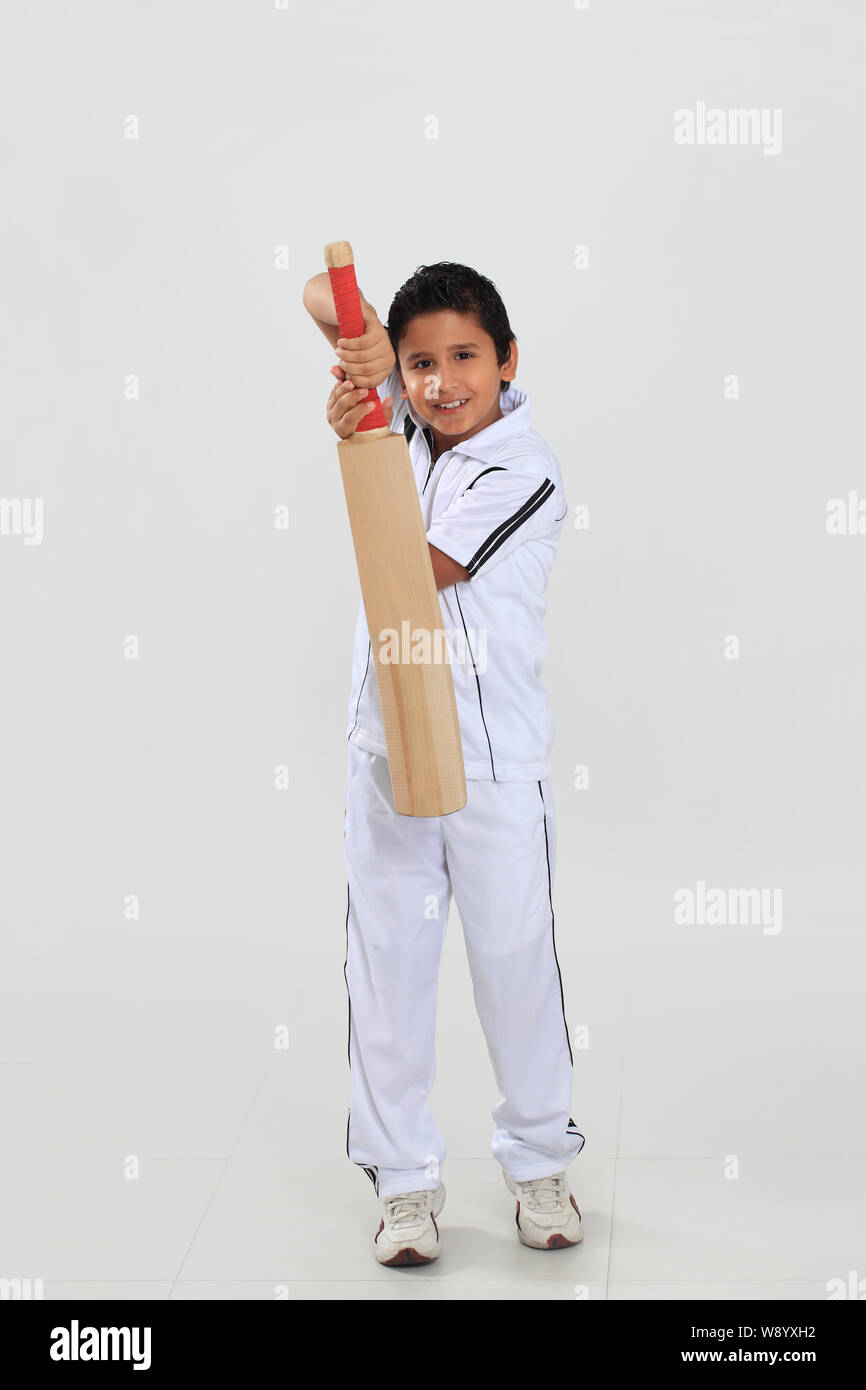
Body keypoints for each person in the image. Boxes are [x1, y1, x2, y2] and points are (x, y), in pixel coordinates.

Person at [302, 260, 585, 1265]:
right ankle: (404, 1187)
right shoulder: (404, 434)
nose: (440, 380)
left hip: (493, 767)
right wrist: (363, 364)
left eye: (463, 356)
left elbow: (411, 568)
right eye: (419, 362)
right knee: (386, 971)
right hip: (387, 756)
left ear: (506, 362)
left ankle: (538, 1165)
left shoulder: (521, 466)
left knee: (514, 968)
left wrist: (363, 430)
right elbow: (314, 293)